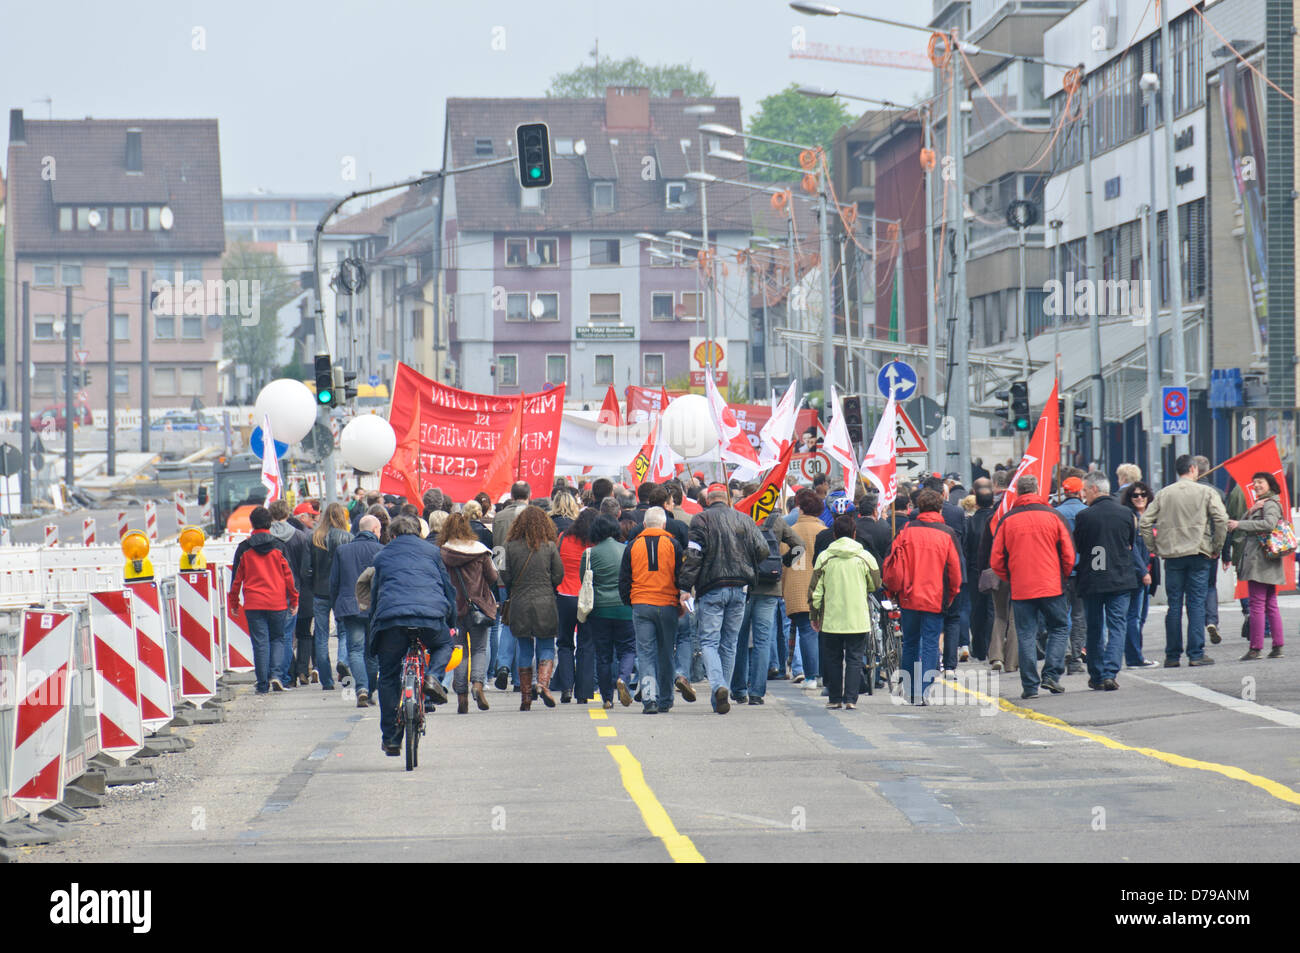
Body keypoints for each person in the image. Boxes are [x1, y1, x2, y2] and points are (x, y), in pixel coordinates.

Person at [677, 483, 770, 714]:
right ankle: (721, 692)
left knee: (709, 641)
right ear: (727, 499)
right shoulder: (744, 519)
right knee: (730, 643)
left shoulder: (701, 520)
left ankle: (719, 686)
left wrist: (685, 586)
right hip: (740, 587)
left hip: (711, 587)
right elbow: (763, 550)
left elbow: (694, 555)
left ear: (708, 500)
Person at [369, 515, 457, 755]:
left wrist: (374, 628)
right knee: (444, 645)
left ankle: (392, 738)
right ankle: (433, 678)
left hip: (392, 621)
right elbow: (448, 590)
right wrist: (452, 622)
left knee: (387, 675)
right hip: (430, 618)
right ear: (419, 533)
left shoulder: (382, 556)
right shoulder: (433, 553)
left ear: (392, 535)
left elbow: (376, 597)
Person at [989, 476, 1076, 700]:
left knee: (1026, 633)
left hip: (1021, 587)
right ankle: (1051, 674)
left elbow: (997, 559)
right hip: (1051, 585)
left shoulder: (1008, 520)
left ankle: (1030, 686)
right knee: (1058, 628)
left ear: (1017, 492)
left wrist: (1010, 577)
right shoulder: (1053, 516)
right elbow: (1068, 554)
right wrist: (1062, 576)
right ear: (1038, 490)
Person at [1139, 454, 1229, 667]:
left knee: (1174, 605)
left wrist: (1155, 547)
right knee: (1196, 604)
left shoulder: (1164, 493)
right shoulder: (1205, 492)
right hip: (1199, 552)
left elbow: (1144, 523)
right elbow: (1222, 520)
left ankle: (1172, 655)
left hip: (1172, 555)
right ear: (1192, 469)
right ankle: (1196, 653)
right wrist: (1216, 547)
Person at [882, 490, 962, 705]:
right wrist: (952, 594)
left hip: (909, 595)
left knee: (909, 642)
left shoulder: (906, 530)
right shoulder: (947, 533)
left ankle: (910, 688)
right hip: (935, 597)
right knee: (930, 643)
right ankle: (924, 689)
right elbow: (955, 571)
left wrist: (892, 591)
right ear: (939, 508)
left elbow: (892, 563)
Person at [809, 513, 881, 710]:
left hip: (831, 618)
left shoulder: (824, 557)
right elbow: (875, 583)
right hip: (857, 617)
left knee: (832, 659)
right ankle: (851, 698)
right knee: (855, 658)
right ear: (855, 533)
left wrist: (814, 615)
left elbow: (816, 591)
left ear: (834, 534)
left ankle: (834, 698)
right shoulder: (864, 556)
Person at [1073, 473, 1135, 691]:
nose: (1083, 495)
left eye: (1085, 491)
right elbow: (1130, 542)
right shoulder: (1126, 513)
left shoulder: (1084, 516)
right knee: (1118, 625)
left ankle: (1097, 673)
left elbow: (1079, 546)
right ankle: (1111, 672)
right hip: (1120, 578)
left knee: (1095, 627)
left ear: (1094, 490)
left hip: (1093, 579)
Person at [228, 506, 299, 694]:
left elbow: (236, 579)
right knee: (278, 639)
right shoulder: (279, 546)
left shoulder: (244, 548)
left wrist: (234, 602)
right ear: (270, 523)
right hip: (277, 602)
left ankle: (262, 684)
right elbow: (289, 577)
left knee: (260, 642)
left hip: (253, 603)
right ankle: (276, 675)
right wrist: (294, 600)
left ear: (252, 523)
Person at [736, 503, 802, 704]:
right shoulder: (777, 522)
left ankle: (738, 689)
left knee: (739, 639)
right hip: (770, 587)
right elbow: (800, 546)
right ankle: (757, 692)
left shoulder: (742, 520)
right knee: (762, 641)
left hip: (744, 586)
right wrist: (784, 562)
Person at [619, 507, 682, 714]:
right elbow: (681, 576)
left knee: (645, 653)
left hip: (641, 603)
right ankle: (666, 698)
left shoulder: (633, 546)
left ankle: (649, 698)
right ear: (664, 524)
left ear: (644, 525)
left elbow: (624, 579)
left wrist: (630, 601)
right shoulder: (673, 544)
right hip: (667, 604)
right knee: (666, 653)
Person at [502, 505, 564, 710]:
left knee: (524, 647)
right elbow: (558, 575)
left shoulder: (509, 546)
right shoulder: (549, 546)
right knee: (546, 645)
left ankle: (526, 697)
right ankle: (543, 685)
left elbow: (505, 576)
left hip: (520, 602)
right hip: (545, 601)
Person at [439, 511, 499, 711]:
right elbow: (492, 578)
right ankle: (477, 685)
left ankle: (462, 698)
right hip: (478, 607)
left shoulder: (442, 553)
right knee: (480, 649)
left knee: (460, 650)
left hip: (453, 610)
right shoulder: (480, 551)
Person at [1226, 471, 1287, 660]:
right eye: (1255, 483)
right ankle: (1277, 646)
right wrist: (1250, 511)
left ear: (1270, 484)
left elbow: (1268, 524)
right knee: (1270, 604)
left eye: (1260, 482)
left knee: (1257, 605)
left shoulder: (1269, 504)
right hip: (1267, 560)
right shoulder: (1265, 503)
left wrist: (1239, 524)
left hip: (1259, 561)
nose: (1257, 486)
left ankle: (1256, 647)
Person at [329, 514, 384, 705]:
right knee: (372, 651)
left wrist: (336, 607)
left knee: (355, 649)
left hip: (350, 606)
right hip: (374, 607)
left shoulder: (342, 551)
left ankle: (361, 687)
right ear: (375, 529)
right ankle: (369, 690)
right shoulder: (381, 550)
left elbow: (334, 582)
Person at [582, 514, 635, 709]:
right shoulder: (626, 549)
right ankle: (622, 678)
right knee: (628, 649)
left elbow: (584, 581)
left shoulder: (589, 554)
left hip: (599, 610)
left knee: (603, 655)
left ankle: (607, 698)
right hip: (625, 608)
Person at [304, 502, 353, 690]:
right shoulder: (348, 538)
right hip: (341, 591)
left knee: (321, 635)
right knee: (344, 631)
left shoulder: (314, 537)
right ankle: (342, 660)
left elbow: (306, 569)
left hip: (320, 591)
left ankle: (326, 680)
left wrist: (312, 586)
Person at [782, 488, 827, 687]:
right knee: (822, 632)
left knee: (805, 630)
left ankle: (810, 675)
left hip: (797, 586)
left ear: (800, 509)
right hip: (822, 588)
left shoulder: (790, 532)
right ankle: (821, 674)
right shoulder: (824, 531)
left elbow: (785, 564)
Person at [267, 500, 310, 688]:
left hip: (271, 589)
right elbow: (304, 567)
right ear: (287, 513)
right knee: (286, 635)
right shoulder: (300, 537)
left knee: (272, 635)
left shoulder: (267, 537)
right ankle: (285, 676)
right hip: (294, 589)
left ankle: (276, 674)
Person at [555, 509, 597, 704]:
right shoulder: (595, 542)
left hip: (564, 595)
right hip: (586, 598)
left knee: (564, 643)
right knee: (586, 644)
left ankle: (566, 687)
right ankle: (584, 691)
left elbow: (555, 565)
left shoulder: (562, 537)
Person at [1120, 482, 1160, 668]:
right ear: (1129, 498)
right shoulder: (1130, 517)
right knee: (1134, 617)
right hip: (1137, 573)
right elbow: (1131, 547)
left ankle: (1136, 654)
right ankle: (1134, 657)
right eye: (1135, 495)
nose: (1140, 498)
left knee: (1141, 617)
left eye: (1143, 494)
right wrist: (1142, 571)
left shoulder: (1151, 517)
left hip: (1150, 570)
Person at [1054, 475, 1088, 675]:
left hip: (1060, 572)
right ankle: (1075, 659)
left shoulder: (1056, 514)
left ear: (1064, 492)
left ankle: (1062, 653)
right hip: (1082, 571)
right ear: (1080, 491)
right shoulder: (1087, 512)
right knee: (1079, 616)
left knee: (1059, 616)